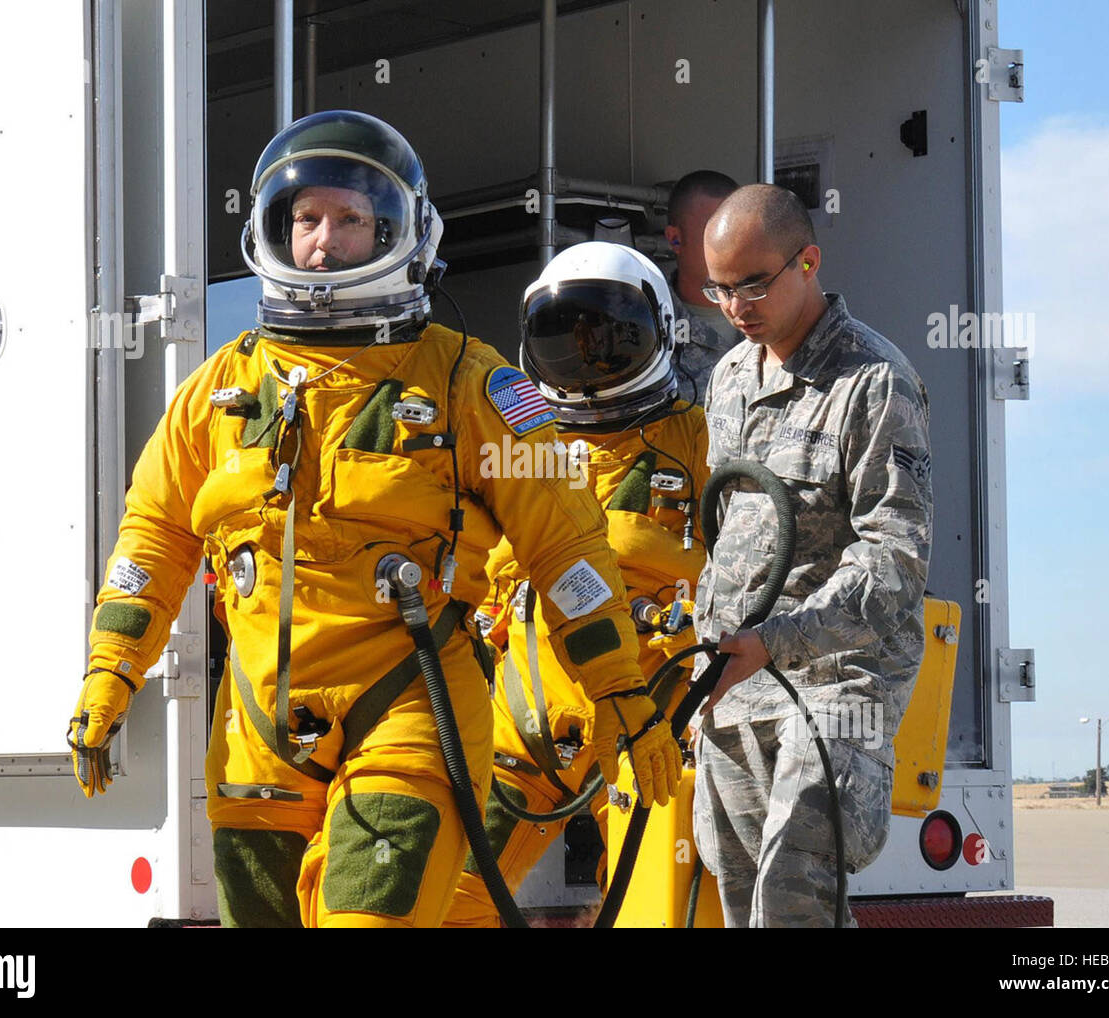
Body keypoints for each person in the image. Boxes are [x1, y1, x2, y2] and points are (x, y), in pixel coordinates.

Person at [67, 110, 681, 928]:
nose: (324, 241)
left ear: (403, 231)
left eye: (351, 219)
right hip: (256, 728)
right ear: (271, 232)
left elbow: (563, 548)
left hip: (409, 709)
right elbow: (153, 537)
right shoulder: (220, 391)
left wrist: (621, 692)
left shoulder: (473, 385)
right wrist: (111, 672)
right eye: (306, 219)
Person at [442, 242, 710, 926]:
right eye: (568, 340)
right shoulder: (518, 445)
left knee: (657, 909)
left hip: (648, 724)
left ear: (659, 332)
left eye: (609, 339)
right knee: (446, 899)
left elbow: (754, 571)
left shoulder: (700, 439)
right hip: (524, 723)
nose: (589, 360)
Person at [691, 183, 933, 927]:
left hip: (838, 680)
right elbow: (730, 529)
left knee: (791, 891)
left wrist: (779, 641)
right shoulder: (730, 378)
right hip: (737, 677)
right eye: (721, 291)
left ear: (810, 261)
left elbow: (896, 559)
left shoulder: (874, 382)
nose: (737, 309)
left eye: (754, 285)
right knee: (743, 902)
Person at [662, 170, 741, 402]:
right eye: (713, 233)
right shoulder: (649, 329)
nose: (730, 245)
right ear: (675, 239)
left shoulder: (775, 318)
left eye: (737, 232)